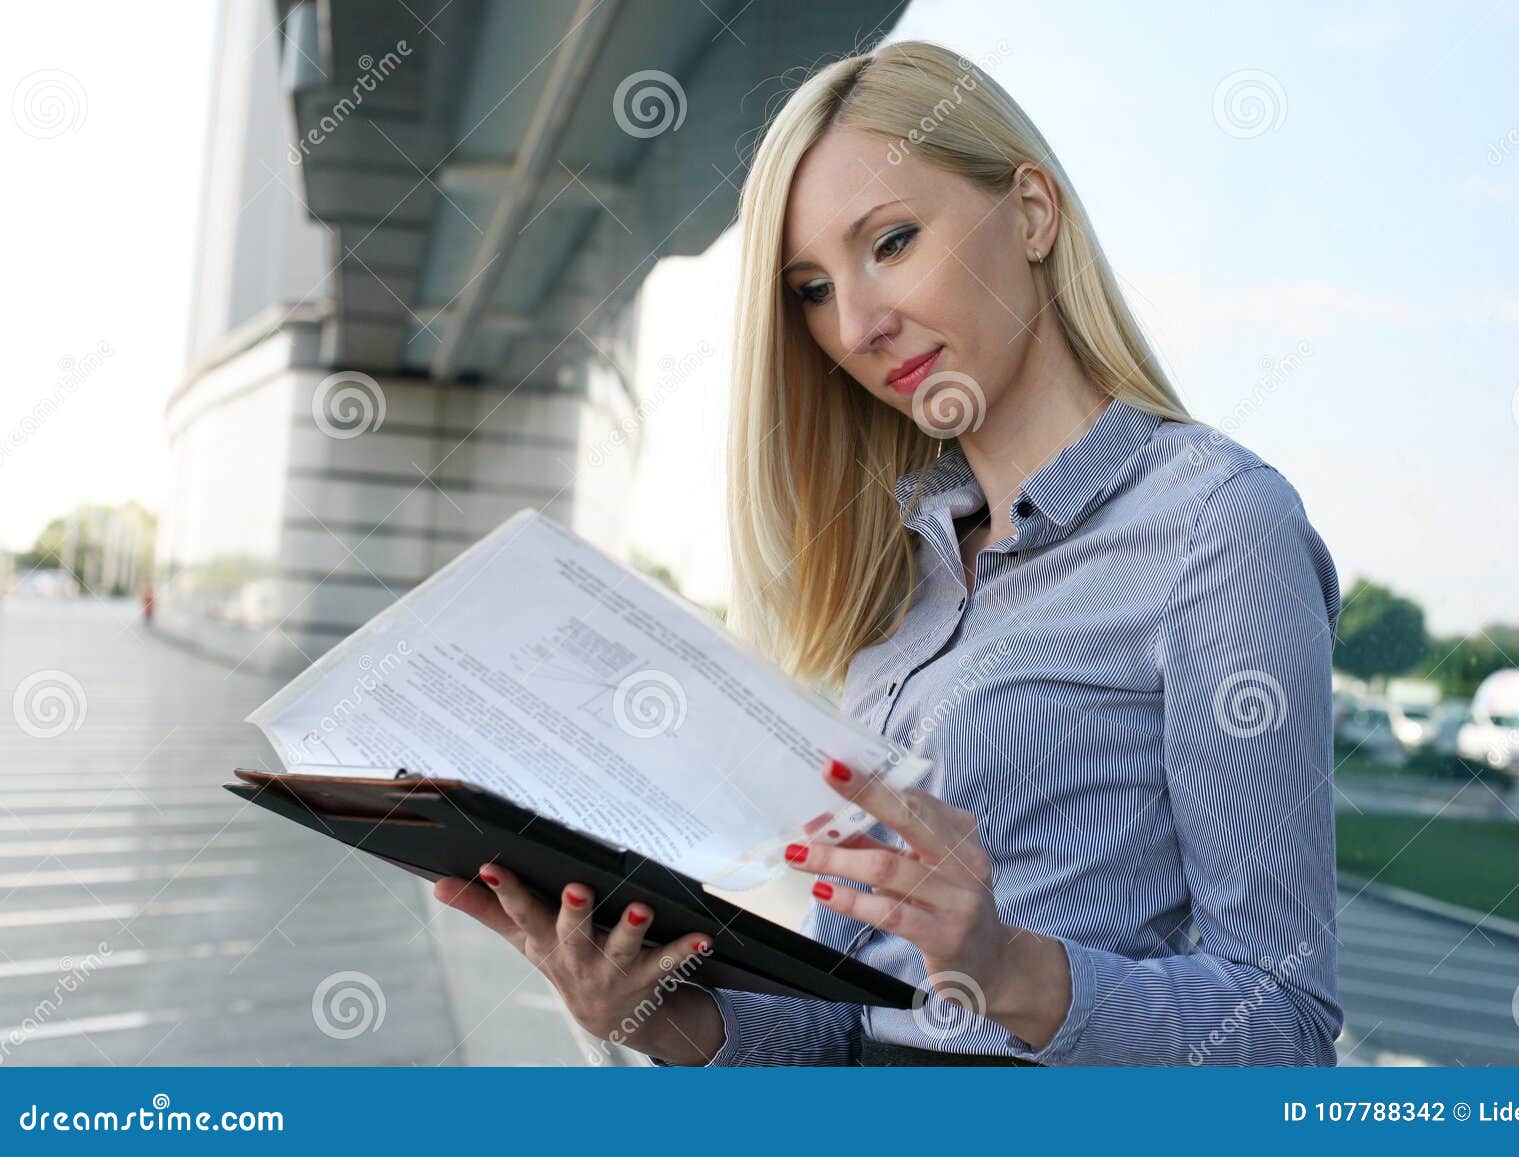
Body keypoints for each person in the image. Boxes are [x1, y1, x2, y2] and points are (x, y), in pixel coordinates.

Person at [431, 38, 1343, 1067]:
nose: (857, 324)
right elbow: (855, 1015)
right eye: (812, 289)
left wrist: (1006, 966)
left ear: (1033, 212)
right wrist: (658, 1010)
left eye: (893, 239)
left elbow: (1286, 1024)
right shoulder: (904, 574)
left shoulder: (1218, 524)